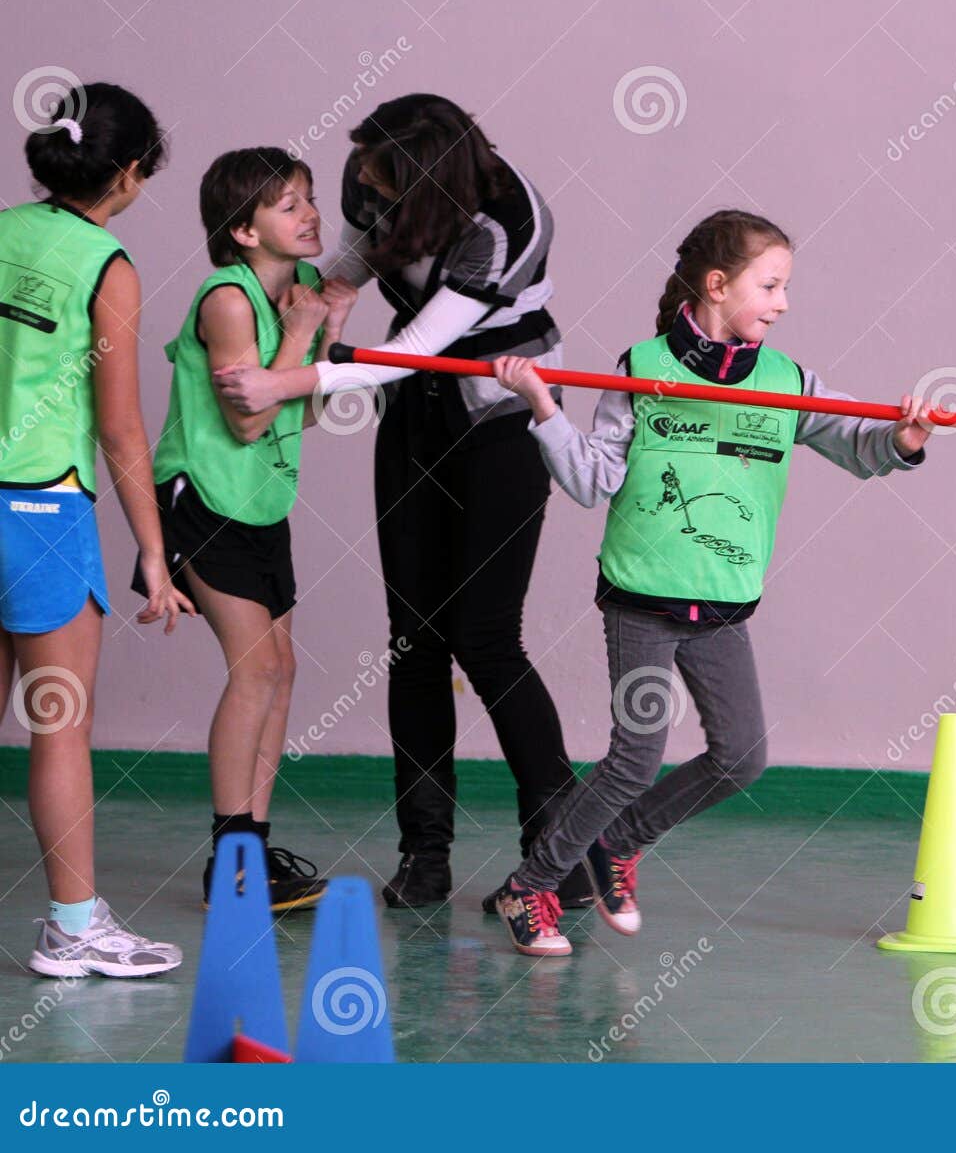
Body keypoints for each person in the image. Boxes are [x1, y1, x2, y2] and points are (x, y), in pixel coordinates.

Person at [487, 209, 937, 955]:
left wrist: (902, 438)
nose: (783, 303)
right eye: (771, 285)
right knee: (635, 755)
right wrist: (541, 407)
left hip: (723, 603)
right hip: (645, 596)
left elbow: (858, 447)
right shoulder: (637, 369)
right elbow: (592, 479)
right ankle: (528, 888)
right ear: (717, 284)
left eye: (785, 287)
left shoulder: (788, 381)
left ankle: (618, 842)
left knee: (741, 755)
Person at [211, 94, 587, 911]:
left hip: (502, 410)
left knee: (485, 639)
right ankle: (426, 854)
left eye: (386, 181)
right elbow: (355, 262)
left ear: (433, 177)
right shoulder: (374, 176)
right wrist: (335, 293)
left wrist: (287, 380)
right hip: (416, 412)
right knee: (414, 640)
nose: (365, 190)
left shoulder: (507, 225)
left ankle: (557, 860)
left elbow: (414, 347)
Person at [0, 82, 193, 977]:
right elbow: (120, 428)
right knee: (59, 723)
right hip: (41, 510)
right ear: (128, 173)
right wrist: (154, 549)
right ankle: (73, 927)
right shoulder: (107, 266)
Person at [140, 147, 358, 911]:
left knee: (283, 670)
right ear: (243, 230)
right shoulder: (228, 300)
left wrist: (331, 328)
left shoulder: (297, 291)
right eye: (287, 204)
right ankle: (230, 859)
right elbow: (246, 421)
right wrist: (300, 336)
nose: (310, 215)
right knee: (257, 670)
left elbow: (315, 407)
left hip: (263, 502)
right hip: (204, 495)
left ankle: (253, 856)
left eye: (308, 199)